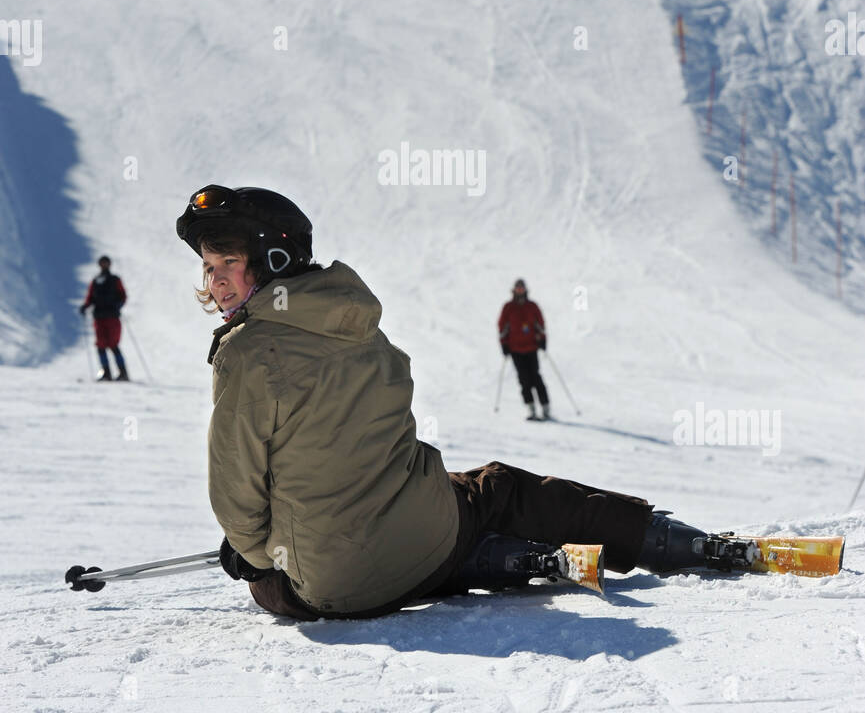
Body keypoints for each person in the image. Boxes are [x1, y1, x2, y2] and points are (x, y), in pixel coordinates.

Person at [176, 184, 710, 622]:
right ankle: (663, 539)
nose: (216, 279)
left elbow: (235, 493)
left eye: (229, 261)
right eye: (209, 267)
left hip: (332, 589)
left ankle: (502, 559)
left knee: (271, 587)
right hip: (425, 540)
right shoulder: (354, 321)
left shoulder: (245, 351)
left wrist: (254, 559)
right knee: (494, 489)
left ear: (273, 257)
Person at [498, 278, 550, 420]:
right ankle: (531, 408)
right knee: (524, 379)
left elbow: (540, 324)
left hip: (531, 347)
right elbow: (502, 327)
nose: (520, 290)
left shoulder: (532, 306)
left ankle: (545, 407)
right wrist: (504, 344)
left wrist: (543, 339)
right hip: (516, 349)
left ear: (525, 289)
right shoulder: (508, 307)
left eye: (522, 288)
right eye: (518, 288)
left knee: (536, 377)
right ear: (514, 289)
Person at [80, 255, 129, 382]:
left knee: (113, 344)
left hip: (112, 317)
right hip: (99, 317)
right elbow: (90, 297)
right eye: (102, 263)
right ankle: (106, 372)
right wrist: (85, 306)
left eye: (106, 263)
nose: (104, 265)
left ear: (109, 264)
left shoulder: (115, 280)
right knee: (101, 345)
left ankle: (123, 372)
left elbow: (123, 296)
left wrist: (118, 305)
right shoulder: (95, 281)